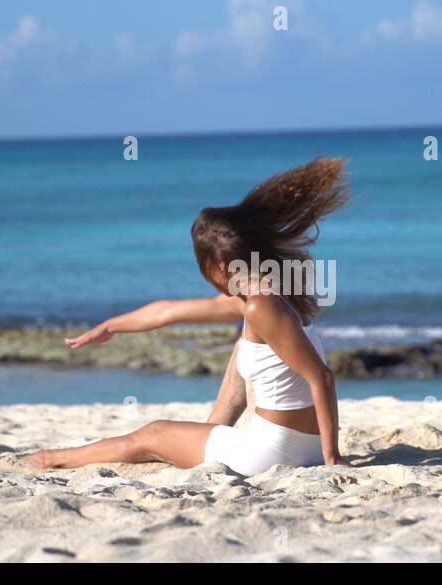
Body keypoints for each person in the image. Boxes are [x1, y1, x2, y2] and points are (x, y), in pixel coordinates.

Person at [22, 158, 350, 474]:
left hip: (273, 452)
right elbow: (169, 311)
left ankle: (53, 459)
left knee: (150, 435)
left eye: (204, 267)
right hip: (300, 446)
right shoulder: (272, 292)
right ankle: (208, 436)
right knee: (242, 350)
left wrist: (332, 457)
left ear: (220, 266)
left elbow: (322, 377)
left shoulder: (259, 306)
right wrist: (111, 326)